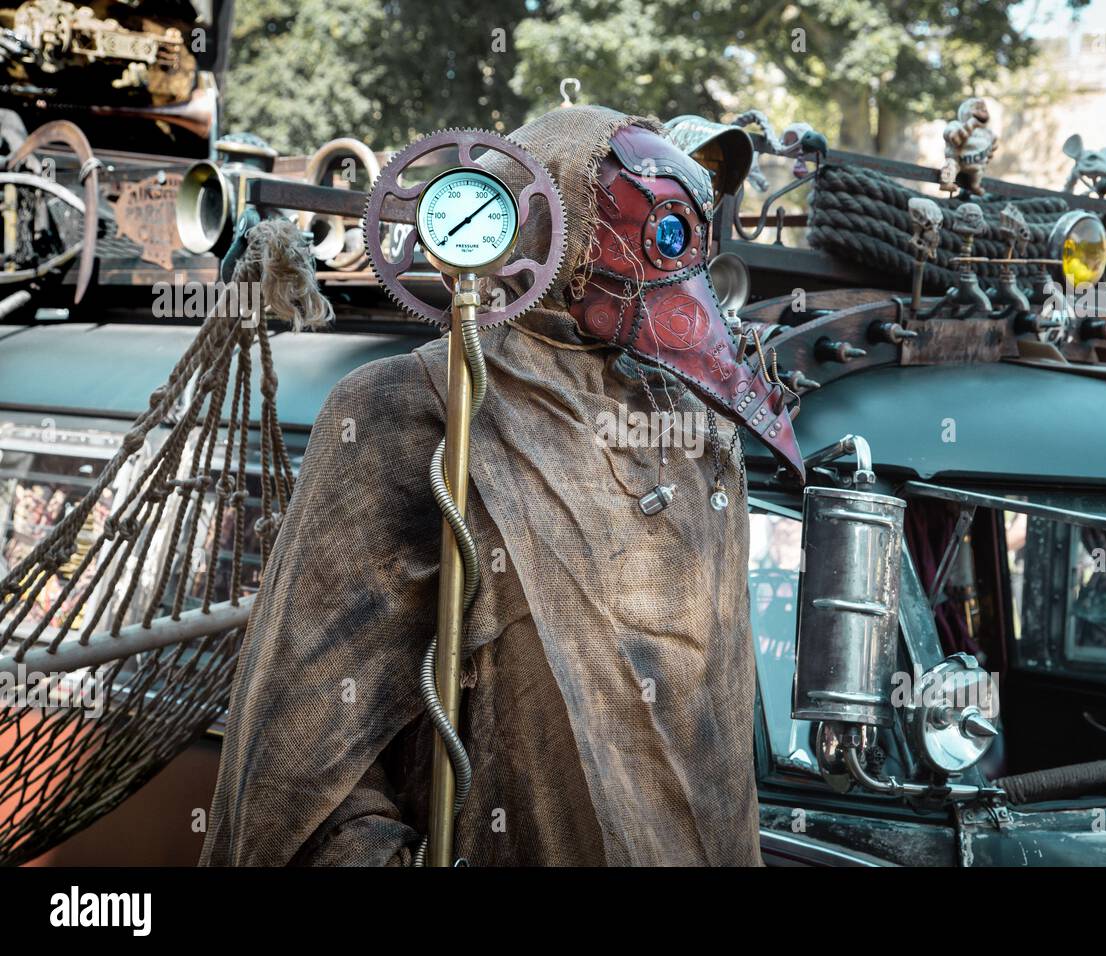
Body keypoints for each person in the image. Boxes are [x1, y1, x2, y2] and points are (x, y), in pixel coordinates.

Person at [199, 106, 803, 866]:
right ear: (548, 227)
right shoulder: (416, 403)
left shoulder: (688, 426)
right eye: (649, 231)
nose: (665, 259)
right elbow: (297, 753)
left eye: (681, 237)